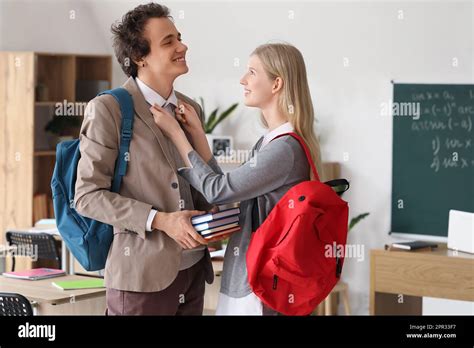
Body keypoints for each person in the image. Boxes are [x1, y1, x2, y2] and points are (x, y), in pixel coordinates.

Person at [150, 43, 322, 315]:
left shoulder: (284, 149)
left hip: (259, 284)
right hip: (249, 279)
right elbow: (225, 189)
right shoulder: (271, 142)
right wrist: (197, 136)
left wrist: (177, 136)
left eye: (252, 72)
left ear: (277, 83)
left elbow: (217, 191)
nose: (243, 80)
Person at [74, 3, 217, 315]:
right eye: (168, 41)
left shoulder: (190, 110)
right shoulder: (109, 109)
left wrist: (215, 216)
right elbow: (87, 196)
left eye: (179, 37)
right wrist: (162, 220)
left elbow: (200, 187)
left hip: (192, 271)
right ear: (139, 58)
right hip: (140, 277)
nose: (182, 46)